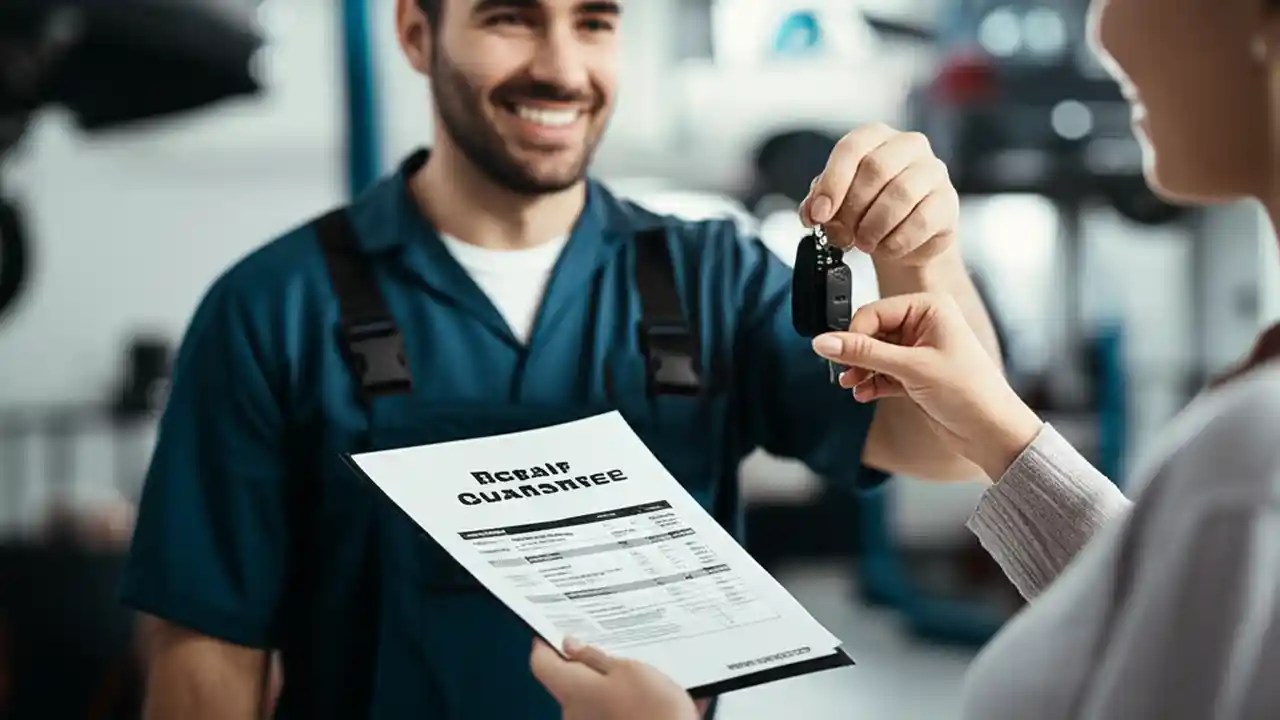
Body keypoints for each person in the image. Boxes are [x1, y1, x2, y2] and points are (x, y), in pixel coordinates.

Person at [119, 0, 1002, 717]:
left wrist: (919, 255)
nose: (562, 66)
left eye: (595, 21)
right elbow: (206, 652)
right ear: (417, 33)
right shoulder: (273, 306)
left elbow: (945, 448)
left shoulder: (712, 278)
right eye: (510, 18)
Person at [529, 0, 1280, 717]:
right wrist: (1002, 434)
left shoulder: (1249, 458)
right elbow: (1167, 617)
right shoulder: (1243, 455)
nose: (1105, 34)